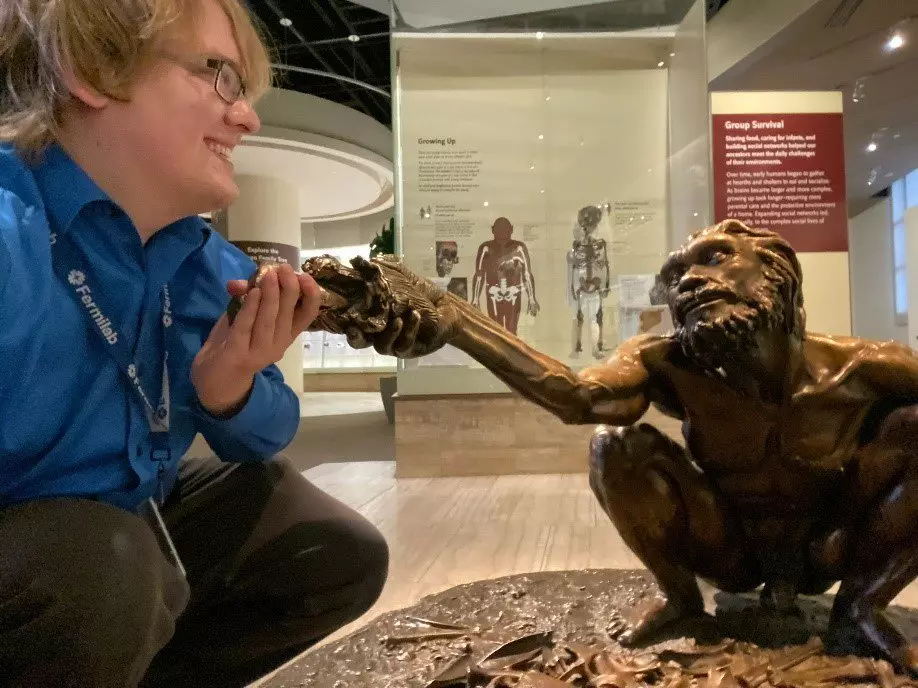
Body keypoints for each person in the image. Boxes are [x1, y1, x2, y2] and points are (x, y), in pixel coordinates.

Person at [0, 1, 388, 686]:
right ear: (92, 72)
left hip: (121, 522)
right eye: (220, 76)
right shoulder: (13, 243)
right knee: (101, 570)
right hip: (59, 555)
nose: (247, 117)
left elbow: (267, 431)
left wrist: (228, 389)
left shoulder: (209, 264)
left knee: (331, 547)